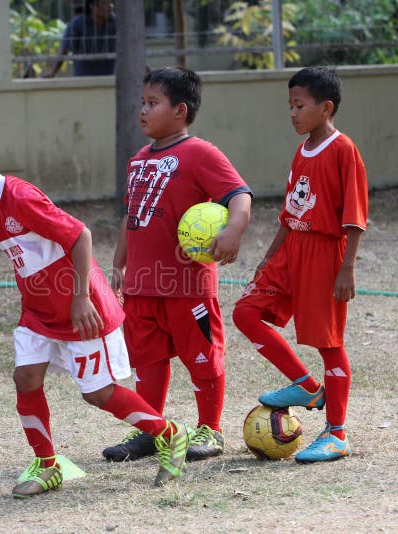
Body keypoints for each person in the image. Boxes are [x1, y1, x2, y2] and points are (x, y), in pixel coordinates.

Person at [0, 126, 191, 496]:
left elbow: (80, 235)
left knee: (97, 393)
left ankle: (170, 433)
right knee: (26, 377)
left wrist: (80, 297)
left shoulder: (20, 197)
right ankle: (48, 466)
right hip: (39, 314)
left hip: (80, 309)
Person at [103, 67, 253, 463]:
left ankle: (211, 429)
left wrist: (234, 230)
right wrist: (119, 266)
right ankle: (151, 430)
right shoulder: (138, 160)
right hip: (142, 285)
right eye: (143, 102)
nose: (143, 110)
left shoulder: (200, 153)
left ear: (180, 111)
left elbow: (239, 195)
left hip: (187, 286)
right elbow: (131, 216)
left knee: (202, 357)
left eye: (153, 103)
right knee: (147, 362)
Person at [232, 66, 368, 463]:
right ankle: (306, 385)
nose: (292, 113)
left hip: (325, 255)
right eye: (289, 105)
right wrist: (269, 257)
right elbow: (291, 210)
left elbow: (355, 217)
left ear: (326, 108)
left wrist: (347, 268)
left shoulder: (344, 150)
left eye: (299, 105)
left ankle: (337, 433)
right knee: (245, 313)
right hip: (291, 248)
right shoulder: (302, 148)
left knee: (329, 344)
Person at [42, 0, 116, 78]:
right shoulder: (78, 24)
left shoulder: (116, 22)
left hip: (110, 79)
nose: (111, 6)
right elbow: (64, 50)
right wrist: (52, 72)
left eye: (111, 3)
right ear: (93, 7)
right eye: (105, 3)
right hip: (83, 80)